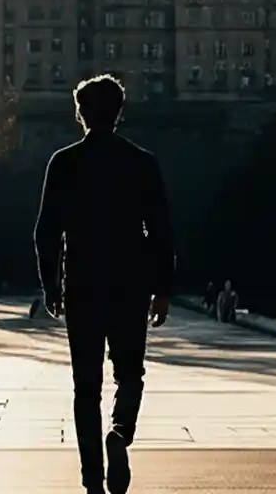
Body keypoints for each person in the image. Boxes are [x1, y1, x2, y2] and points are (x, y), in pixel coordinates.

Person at [34, 74, 175, 494]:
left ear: (80, 113)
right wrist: (162, 288)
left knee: (86, 386)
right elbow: (161, 231)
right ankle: (120, 431)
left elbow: (46, 231)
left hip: (83, 282)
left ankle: (92, 478)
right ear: (119, 113)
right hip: (130, 282)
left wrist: (50, 284)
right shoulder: (142, 163)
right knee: (130, 373)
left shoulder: (64, 162)